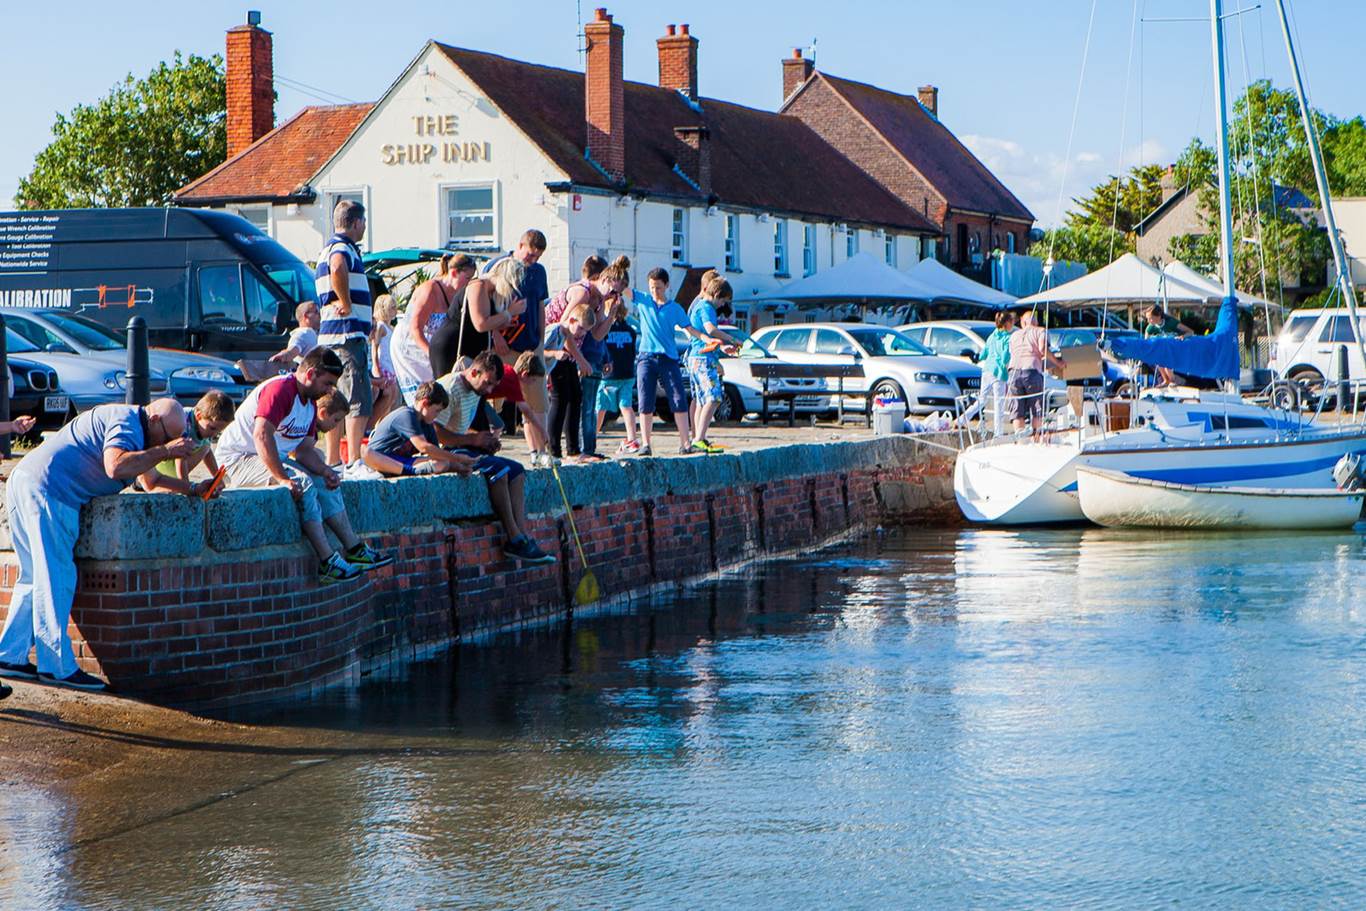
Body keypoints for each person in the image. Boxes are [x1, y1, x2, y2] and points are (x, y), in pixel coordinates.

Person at [0, 400, 204, 691]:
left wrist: (194, 488)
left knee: (34, 576)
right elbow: (116, 466)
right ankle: (56, 667)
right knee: (56, 577)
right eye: (166, 436)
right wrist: (165, 451)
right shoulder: (127, 423)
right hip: (50, 491)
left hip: (28, 481)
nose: (167, 443)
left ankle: (9, 656)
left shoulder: (140, 430)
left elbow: (152, 480)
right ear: (154, 417)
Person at [215, 347, 394, 584]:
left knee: (322, 481)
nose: (330, 390)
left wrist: (326, 471)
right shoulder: (280, 390)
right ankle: (327, 561)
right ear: (310, 374)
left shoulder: (309, 403)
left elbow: (304, 450)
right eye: (327, 383)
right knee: (303, 483)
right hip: (237, 459)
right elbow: (261, 436)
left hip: (267, 456)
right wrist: (282, 478)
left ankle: (354, 550)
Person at [432, 352, 555, 564]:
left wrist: (484, 441)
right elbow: (436, 433)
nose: (489, 391)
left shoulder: (476, 389)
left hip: (464, 447)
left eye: (493, 386)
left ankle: (523, 536)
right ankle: (514, 538)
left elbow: (461, 427)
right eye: (487, 384)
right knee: (499, 471)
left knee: (516, 470)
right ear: (473, 372)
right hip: (446, 451)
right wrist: (473, 440)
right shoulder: (451, 388)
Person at [315, 199, 374, 468]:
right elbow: (338, 266)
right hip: (347, 334)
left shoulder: (327, 246)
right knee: (355, 395)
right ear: (356, 222)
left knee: (335, 397)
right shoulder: (342, 247)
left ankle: (334, 459)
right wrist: (348, 304)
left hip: (331, 334)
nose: (364, 228)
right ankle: (355, 459)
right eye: (363, 222)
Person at [635, 267, 707, 455]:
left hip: (668, 357)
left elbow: (690, 329)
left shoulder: (675, 308)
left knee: (678, 398)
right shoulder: (643, 300)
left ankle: (685, 443)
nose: (654, 291)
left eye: (658, 287)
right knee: (645, 400)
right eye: (652, 287)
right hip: (646, 357)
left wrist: (708, 339)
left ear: (666, 286)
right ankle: (646, 443)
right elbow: (622, 287)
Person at [391, 254, 478, 405]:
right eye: (467, 278)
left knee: (439, 393)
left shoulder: (457, 294)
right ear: (453, 273)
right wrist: (433, 355)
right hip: (411, 346)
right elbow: (415, 328)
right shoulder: (430, 290)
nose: (469, 283)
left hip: (433, 345)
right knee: (425, 396)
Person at [428, 256, 527, 378]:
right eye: (511, 286)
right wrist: (509, 313)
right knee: (450, 390)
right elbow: (481, 324)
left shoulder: (490, 293)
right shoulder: (478, 286)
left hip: (471, 349)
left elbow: (485, 324)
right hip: (451, 347)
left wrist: (504, 321)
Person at [362, 381, 477, 477]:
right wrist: (457, 458)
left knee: (441, 463)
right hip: (381, 459)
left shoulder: (427, 423)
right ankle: (410, 471)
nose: (437, 415)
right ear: (425, 403)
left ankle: (410, 471)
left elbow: (436, 454)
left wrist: (460, 467)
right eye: (436, 410)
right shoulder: (406, 415)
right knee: (366, 452)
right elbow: (424, 447)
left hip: (401, 462)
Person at [685, 276, 741, 453]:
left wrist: (724, 348)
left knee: (702, 400)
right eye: (723, 301)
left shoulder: (699, 306)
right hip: (703, 359)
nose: (722, 305)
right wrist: (732, 338)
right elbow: (710, 329)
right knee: (714, 397)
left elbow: (707, 337)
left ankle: (698, 438)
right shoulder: (707, 307)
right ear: (717, 294)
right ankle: (699, 439)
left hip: (696, 358)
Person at [484, 230, 550, 359]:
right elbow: (484, 305)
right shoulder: (497, 266)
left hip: (532, 346)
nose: (533, 260)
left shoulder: (539, 271)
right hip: (504, 345)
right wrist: (494, 334)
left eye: (538, 257)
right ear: (520, 246)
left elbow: (540, 307)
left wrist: (541, 342)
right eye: (530, 255)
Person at [544, 301, 598, 460]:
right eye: (580, 328)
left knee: (575, 397)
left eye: (585, 331)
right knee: (559, 400)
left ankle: (573, 449)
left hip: (564, 360)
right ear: (572, 320)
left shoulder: (568, 334)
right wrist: (554, 353)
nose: (581, 334)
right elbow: (538, 349)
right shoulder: (555, 330)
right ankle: (553, 450)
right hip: (553, 364)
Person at [485, 351, 553, 464]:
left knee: (498, 425)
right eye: (533, 380)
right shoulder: (513, 381)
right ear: (525, 374)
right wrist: (542, 431)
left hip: (480, 398)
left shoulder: (509, 370)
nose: (532, 383)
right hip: (477, 399)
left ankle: (488, 453)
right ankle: (486, 454)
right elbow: (527, 411)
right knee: (496, 426)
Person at [956, 311, 1015, 436]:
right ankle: (998, 433)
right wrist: (1007, 364)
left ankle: (961, 419)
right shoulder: (1007, 338)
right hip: (998, 372)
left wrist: (977, 357)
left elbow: (984, 354)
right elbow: (1005, 356)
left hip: (987, 370)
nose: (1013, 324)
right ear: (1007, 323)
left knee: (982, 400)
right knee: (998, 403)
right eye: (1012, 322)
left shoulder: (992, 336)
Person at [1007, 310, 1066, 436]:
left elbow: (1015, 354)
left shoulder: (1014, 335)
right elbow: (1042, 349)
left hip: (1013, 372)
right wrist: (1058, 363)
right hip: (1031, 371)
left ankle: (1020, 437)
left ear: (1023, 322)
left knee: (1017, 409)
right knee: (1036, 407)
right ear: (1036, 321)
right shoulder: (1040, 331)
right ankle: (1036, 436)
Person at [158, 389, 236, 480]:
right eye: (212, 428)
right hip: (160, 464)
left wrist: (218, 479)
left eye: (218, 431)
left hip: (169, 463)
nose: (214, 434)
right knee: (204, 447)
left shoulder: (204, 424)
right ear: (198, 416)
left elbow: (208, 454)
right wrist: (185, 486)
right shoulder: (184, 424)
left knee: (206, 446)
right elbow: (180, 457)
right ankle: (171, 482)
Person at [597, 301, 640, 455]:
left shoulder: (605, 330)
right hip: (627, 374)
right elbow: (632, 352)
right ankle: (632, 439)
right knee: (626, 406)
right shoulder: (631, 330)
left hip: (608, 375)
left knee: (600, 407)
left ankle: (591, 438)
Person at [1143, 304, 1194, 387]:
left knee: (1166, 363)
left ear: (1158, 316)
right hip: (1163, 351)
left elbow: (1190, 332)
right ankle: (1166, 380)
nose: (1148, 321)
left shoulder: (1171, 322)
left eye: (1150, 318)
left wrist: (1182, 336)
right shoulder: (1150, 328)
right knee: (1158, 360)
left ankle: (1172, 381)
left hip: (1175, 349)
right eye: (1147, 319)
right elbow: (1146, 342)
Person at [370, 294, 399, 426]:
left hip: (391, 366)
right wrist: (376, 366)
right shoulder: (381, 326)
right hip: (383, 366)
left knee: (392, 399)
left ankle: (383, 425)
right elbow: (374, 347)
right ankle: (377, 425)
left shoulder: (390, 328)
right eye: (392, 307)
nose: (395, 310)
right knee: (388, 396)